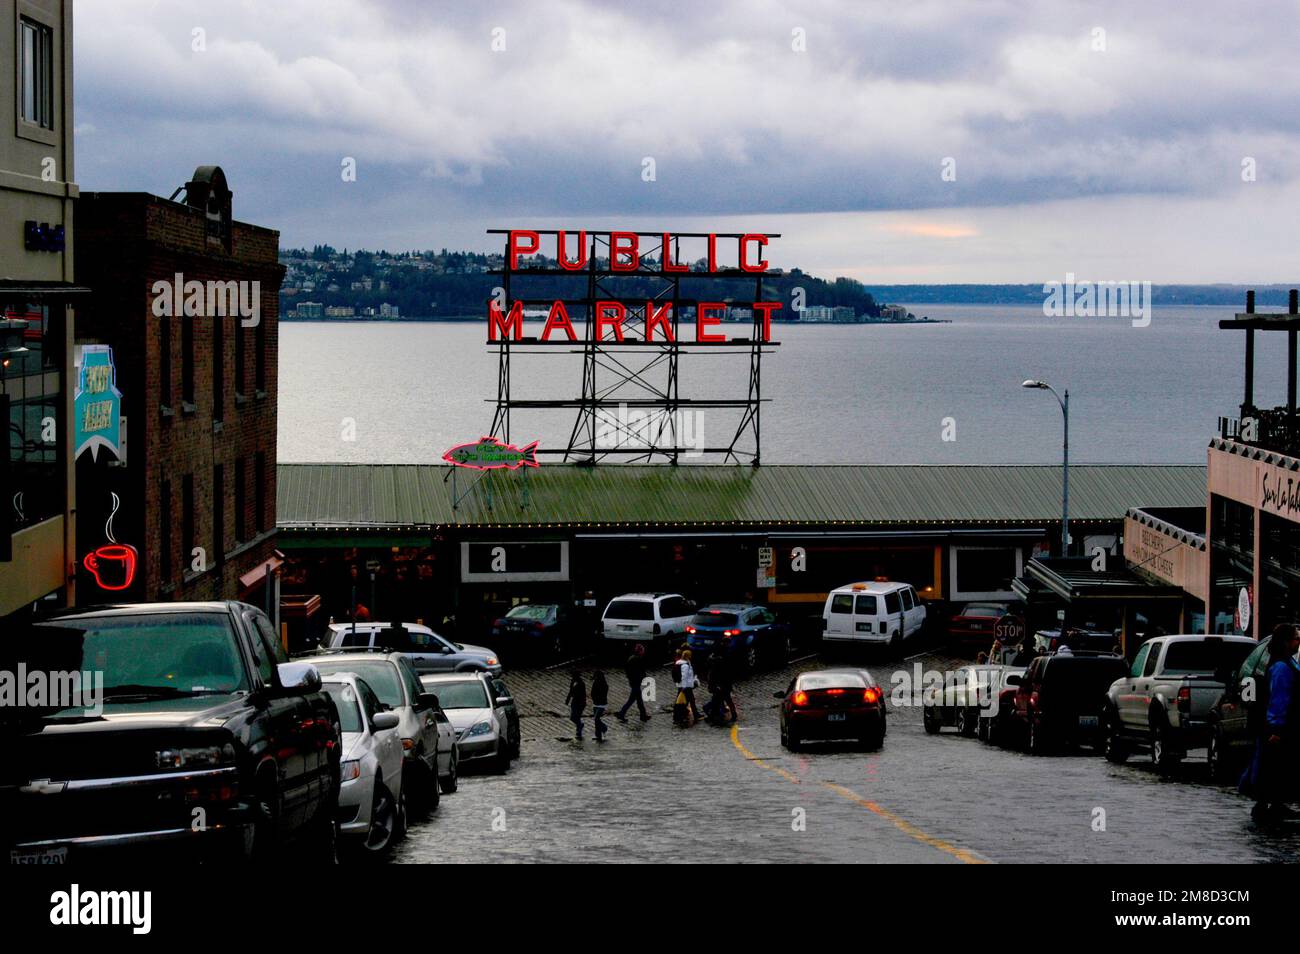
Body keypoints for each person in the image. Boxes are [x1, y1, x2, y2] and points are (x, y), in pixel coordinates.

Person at [1250, 623, 1300, 823]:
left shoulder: (1288, 663)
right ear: (1286, 642)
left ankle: (1274, 804)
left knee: (1279, 766)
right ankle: (1265, 805)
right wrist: (1276, 728)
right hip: (1279, 727)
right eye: (1296, 638)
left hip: (1285, 725)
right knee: (1273, 766)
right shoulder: (1281, 666)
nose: (1298, 642)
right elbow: (1279, 699)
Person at [616, 644, 651, 722]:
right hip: (636, 682)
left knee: (639, 700)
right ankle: (621, 713)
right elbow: (640, 671)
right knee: (632, 700)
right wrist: (642, 677)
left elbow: (628, 670)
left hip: (633, 682)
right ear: (640, 651)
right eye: (642, 651)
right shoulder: (638, 659)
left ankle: (643, 715)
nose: (643, 652)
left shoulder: (631, 658)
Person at [707, 650, 736, 725]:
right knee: (723, 701)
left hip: (722, 687)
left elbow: (716, 678)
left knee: (719, 701)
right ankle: (716, 716)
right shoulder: (722, 665)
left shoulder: (716, 668)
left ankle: (715, 716)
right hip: (722, 686)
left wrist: (717, 686)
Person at [679, 649, 701, 723]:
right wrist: (684, 687)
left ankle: (694, 714)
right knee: (690, 701)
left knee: (690, 701)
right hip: (686, 687)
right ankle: (692, 715)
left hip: (688, 686)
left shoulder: (687, 663)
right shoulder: (685, 665)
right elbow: (684, 677)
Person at [565, 670, 587, 741]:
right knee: (576, 717)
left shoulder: (581, 684)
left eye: (573, 676)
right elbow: (571, 691)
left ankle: (580, 727)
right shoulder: (575, 683)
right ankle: (579, 732)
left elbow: (578, 693)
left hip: (579, 703)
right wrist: (568, 700)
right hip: (575, 702)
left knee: (574, 717)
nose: (572, 677)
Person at [591, 670, 609, 742]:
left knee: (596, 718)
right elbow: (592, 692)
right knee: (596, 719)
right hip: (596, 703)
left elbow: (603, 694)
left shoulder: (604, 684)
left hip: (601, 704)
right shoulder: (595, 683)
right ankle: (598, 736)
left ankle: (604, 728)